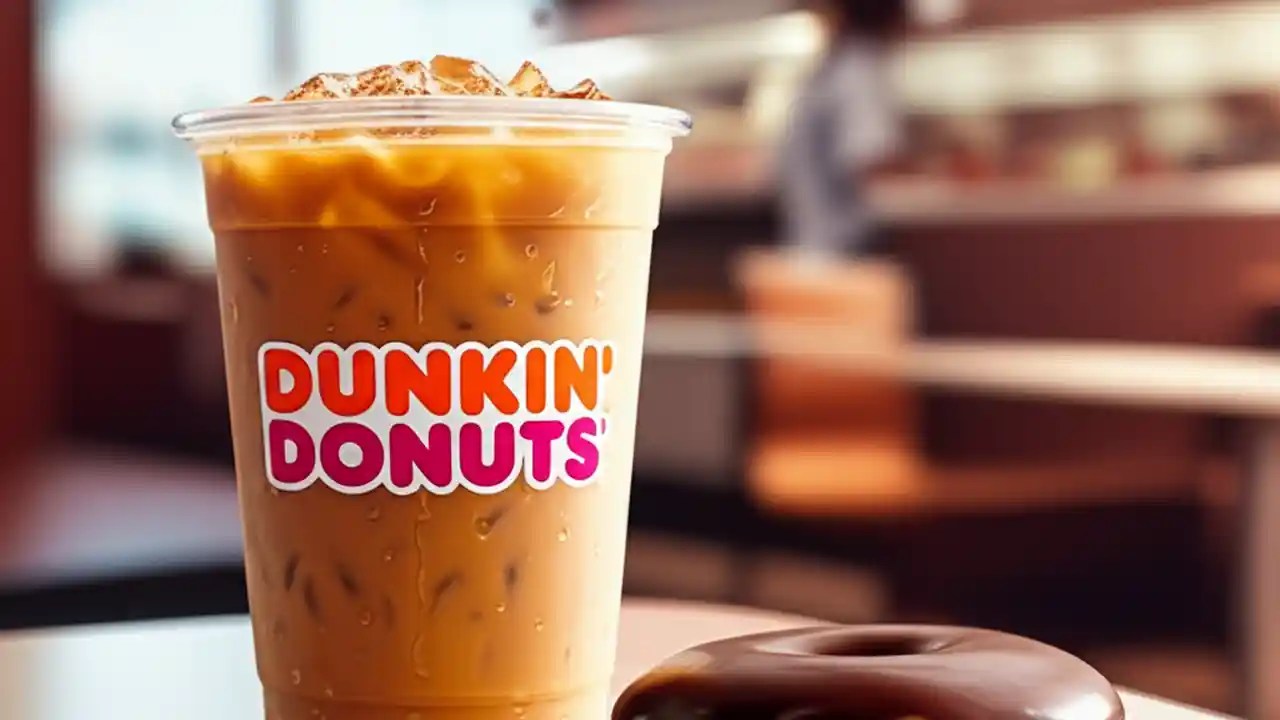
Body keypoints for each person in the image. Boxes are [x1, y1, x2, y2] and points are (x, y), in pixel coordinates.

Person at [779, 0, 910, 258]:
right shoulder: (858, 69)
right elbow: (871, 160)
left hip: (810, 248)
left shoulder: (829, 71)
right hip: (843, 253)